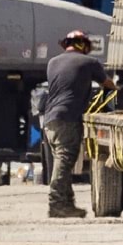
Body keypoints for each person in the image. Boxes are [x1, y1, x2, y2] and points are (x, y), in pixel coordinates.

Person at [44, 30, 114, 219]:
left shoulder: (52, 63)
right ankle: (56, 203)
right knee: (65, 161)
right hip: (68, 119)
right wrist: (118, 89)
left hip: (49, 120)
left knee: (61, 161)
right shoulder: (88, 62)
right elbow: (108, 84)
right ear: (83, 45)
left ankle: (67, 205)